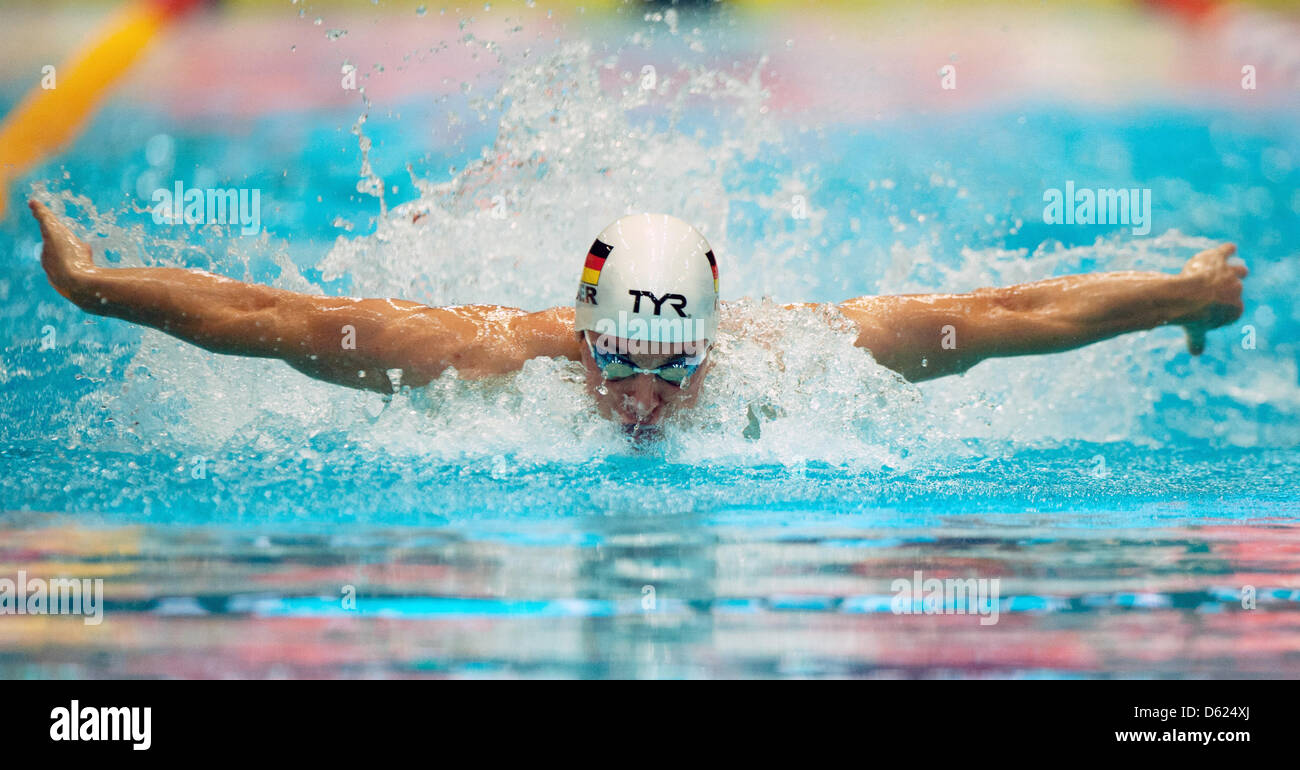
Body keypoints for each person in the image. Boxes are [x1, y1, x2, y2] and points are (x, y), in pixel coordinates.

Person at [30, 200, 1247, 432]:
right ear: (580, 330)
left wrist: (1181, 296)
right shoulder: (488, 360)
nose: (643, 399)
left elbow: (1004, 310)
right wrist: (91, 284)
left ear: (716, 342)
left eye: (674, 370)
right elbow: (272, 314)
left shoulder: (807, 363)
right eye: (620, 360)